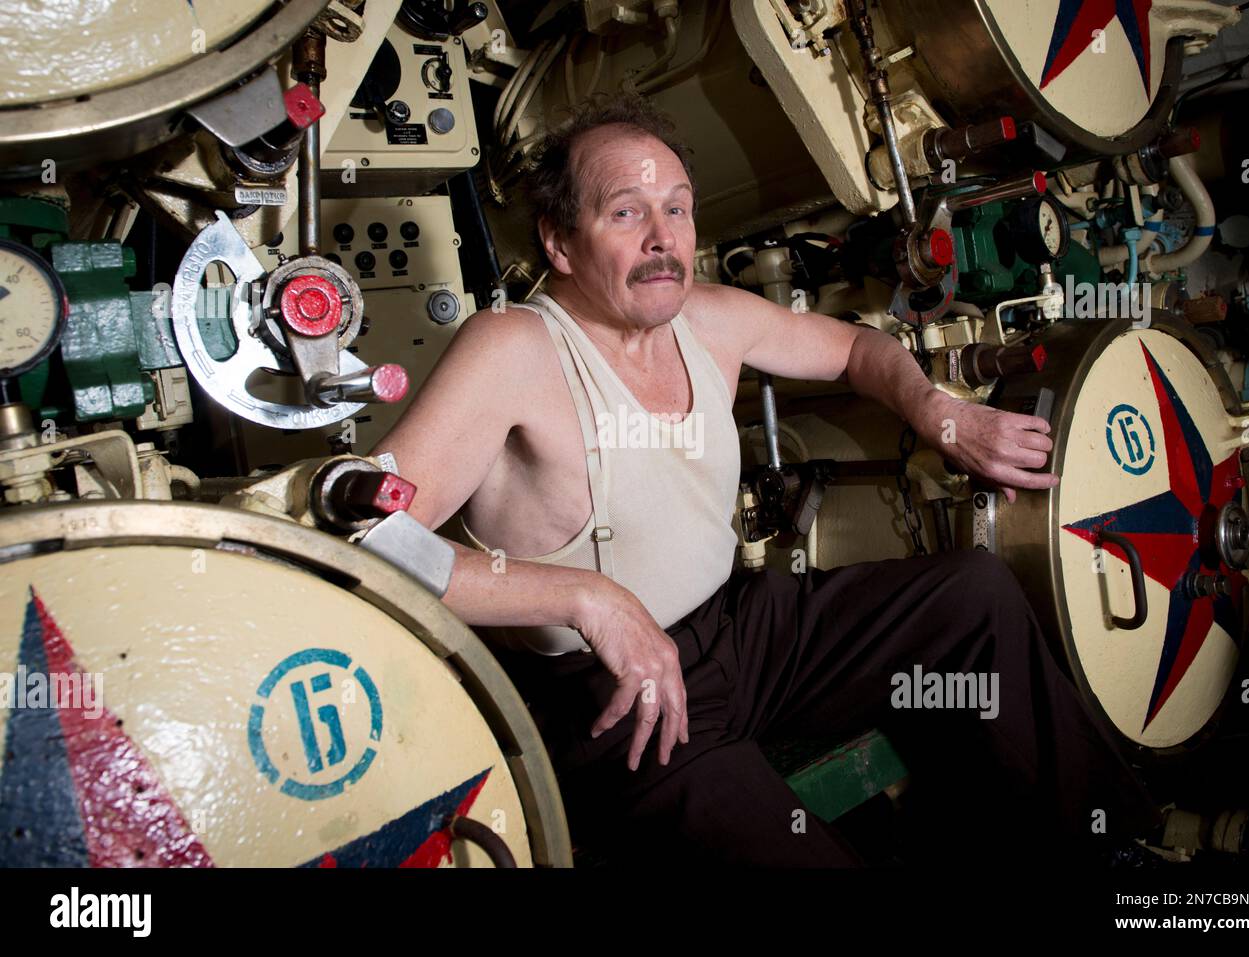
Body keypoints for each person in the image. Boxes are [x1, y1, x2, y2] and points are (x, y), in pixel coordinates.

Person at [373, 93, 1163, 866]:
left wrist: (940, 413)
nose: (662, 239)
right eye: (625, 212)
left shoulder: (710, 317)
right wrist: (586, 598)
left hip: (741, 633)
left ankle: (1109, 847)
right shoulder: (512, 348)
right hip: (615, 700)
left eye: (677, 209)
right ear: (559, 241)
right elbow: (373, 535)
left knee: (974, 595)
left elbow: (857, 350)